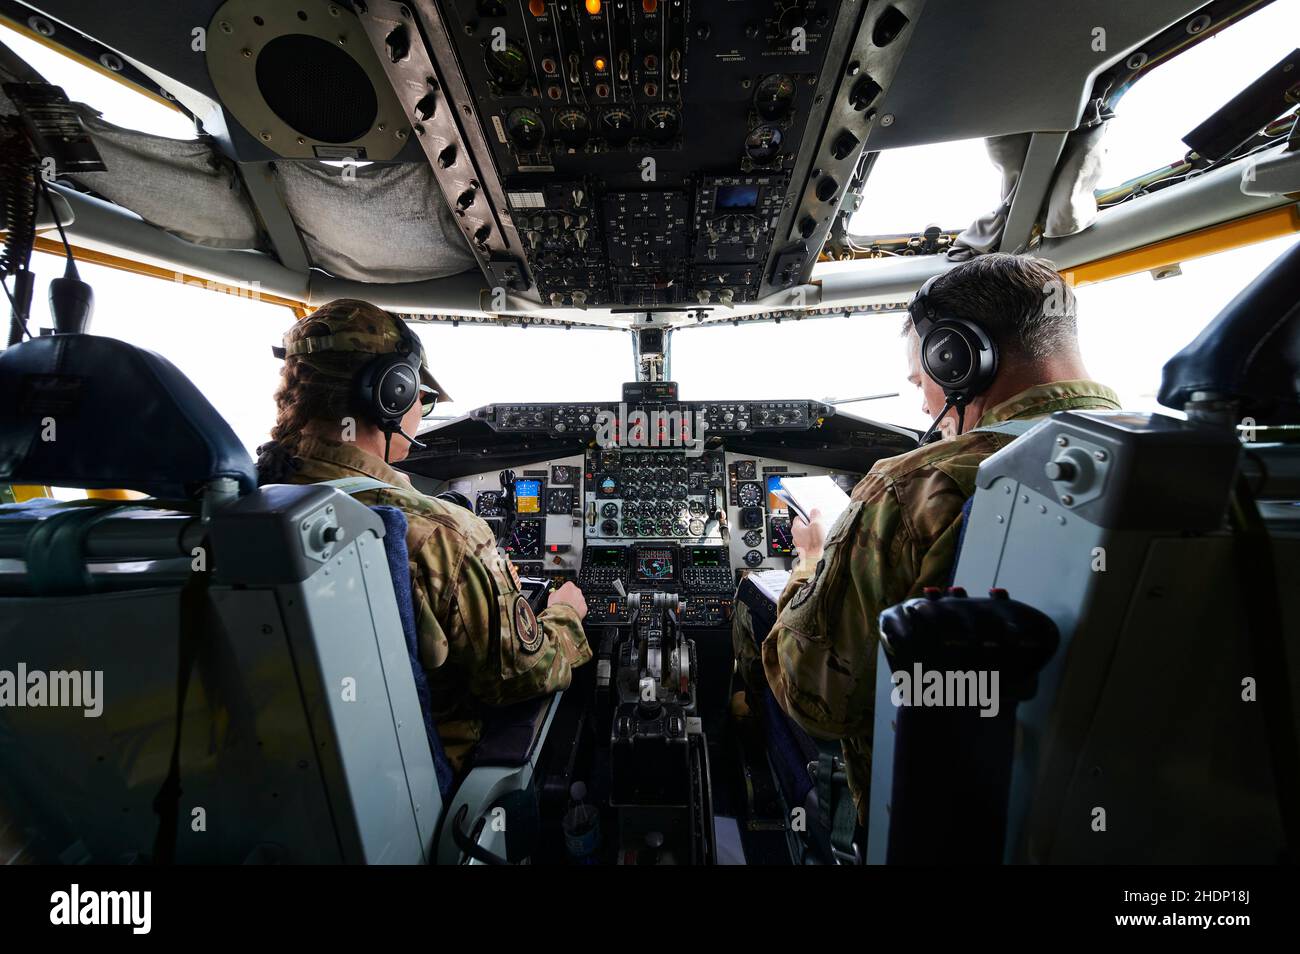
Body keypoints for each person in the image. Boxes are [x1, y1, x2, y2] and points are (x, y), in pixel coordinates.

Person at [732, 253, 1122, 824]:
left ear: (959, 358)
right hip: (1111, 808)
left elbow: (814, 699)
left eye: (922, 380)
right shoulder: (1200, 467)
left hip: (929, 818)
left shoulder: (912, 488)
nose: (922, 403)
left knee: (757, 614)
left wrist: (810, 561)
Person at [256, 298, 591, 772]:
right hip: (417, 792)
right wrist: (565, 614)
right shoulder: (441, 534)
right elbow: (523, 672)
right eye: (423, 397)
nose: (421, 409)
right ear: (392, 393)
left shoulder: (231, 505)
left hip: (269, 774)